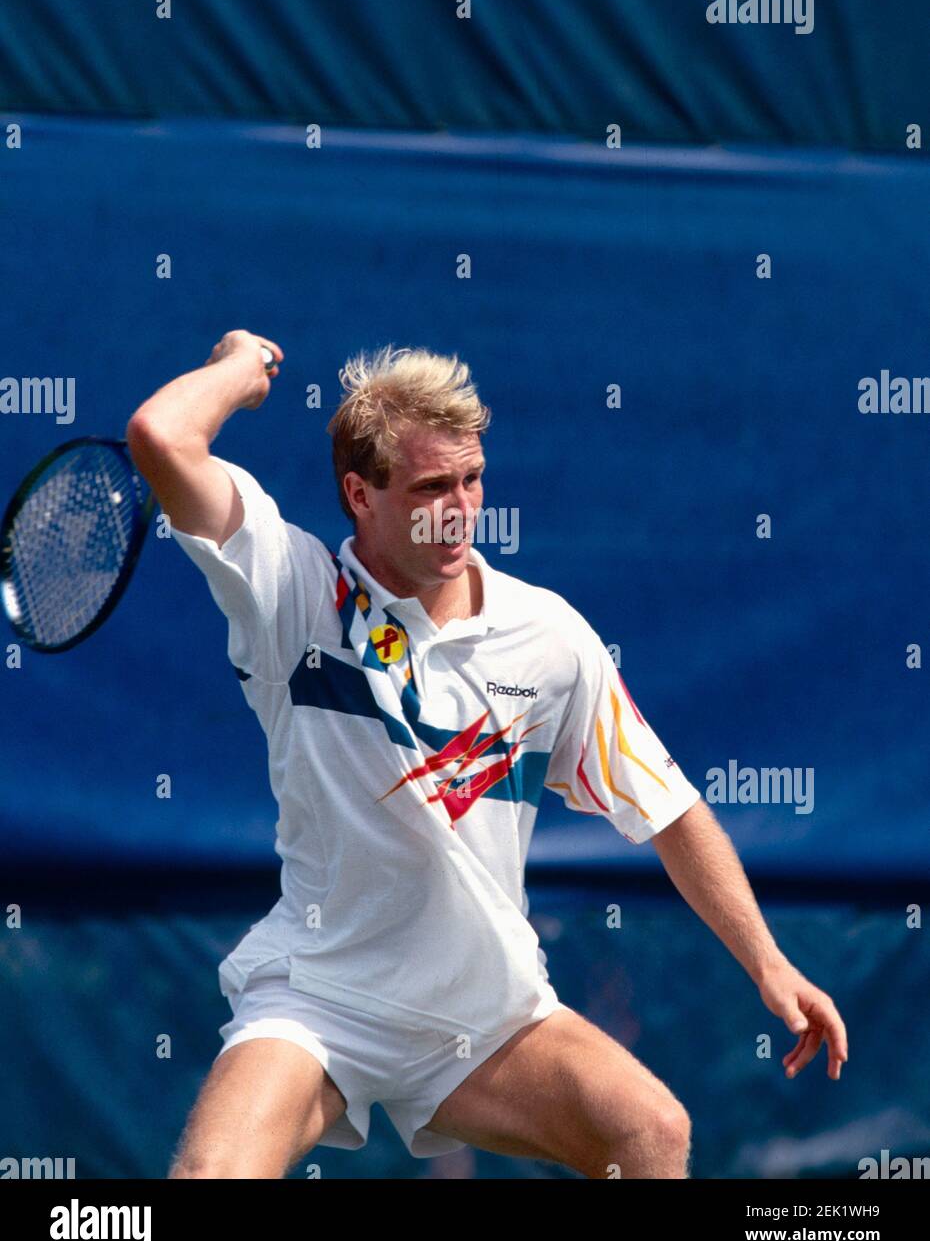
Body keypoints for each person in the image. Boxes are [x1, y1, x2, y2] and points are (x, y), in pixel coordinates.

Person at [126, 329, 848, 1180]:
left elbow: (670, 808)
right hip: (321, 1003)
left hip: (487, 1016)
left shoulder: (547, 636)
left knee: (652, 1131)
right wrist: (237, 371)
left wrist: (769, 964)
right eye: (431, 485)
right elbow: (162, 437)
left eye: (472, 480)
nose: (460, 508)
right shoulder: (289, 591)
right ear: (360, 494)